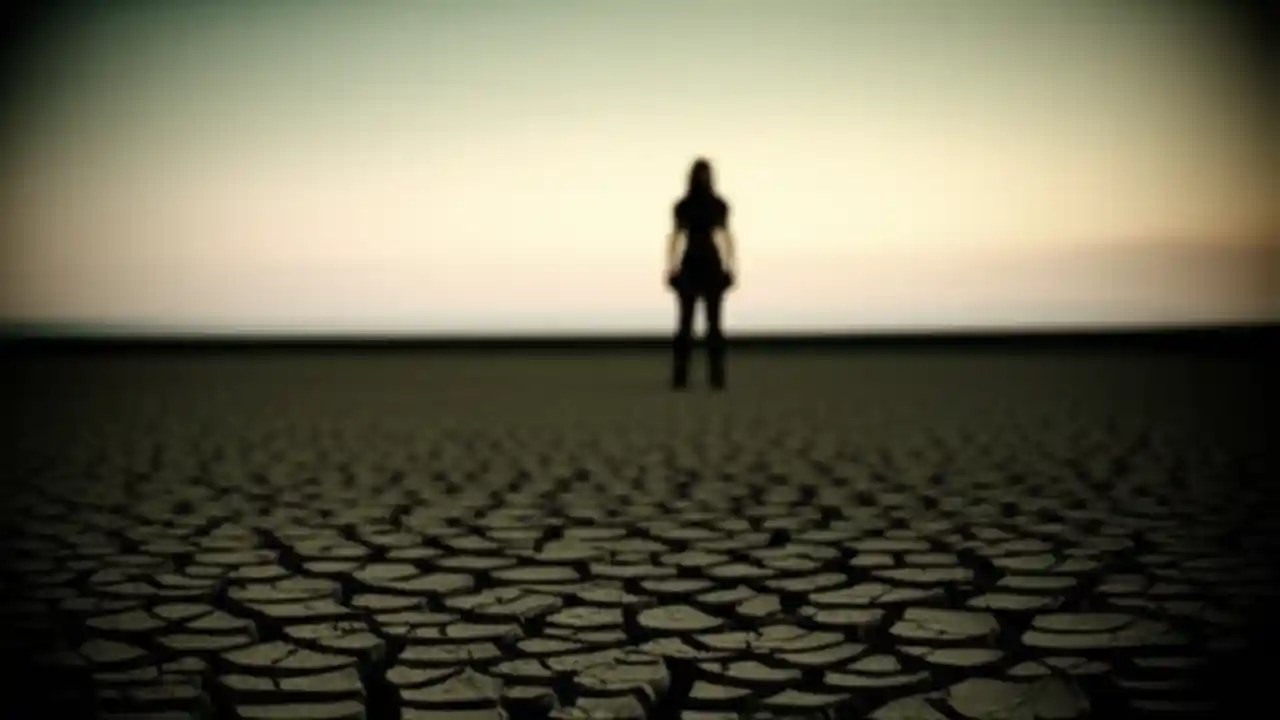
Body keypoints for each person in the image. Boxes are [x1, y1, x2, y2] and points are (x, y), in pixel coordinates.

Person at [665, 157, 736, 390]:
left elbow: (725, 237)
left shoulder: (717, 205)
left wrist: (730, 265)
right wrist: (672, 266)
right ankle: (681, 375)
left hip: (710, 264)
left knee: (713, 325)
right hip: (692, 263)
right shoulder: (684, 205)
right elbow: (676, 237)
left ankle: (716, 376)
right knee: (686, 325)